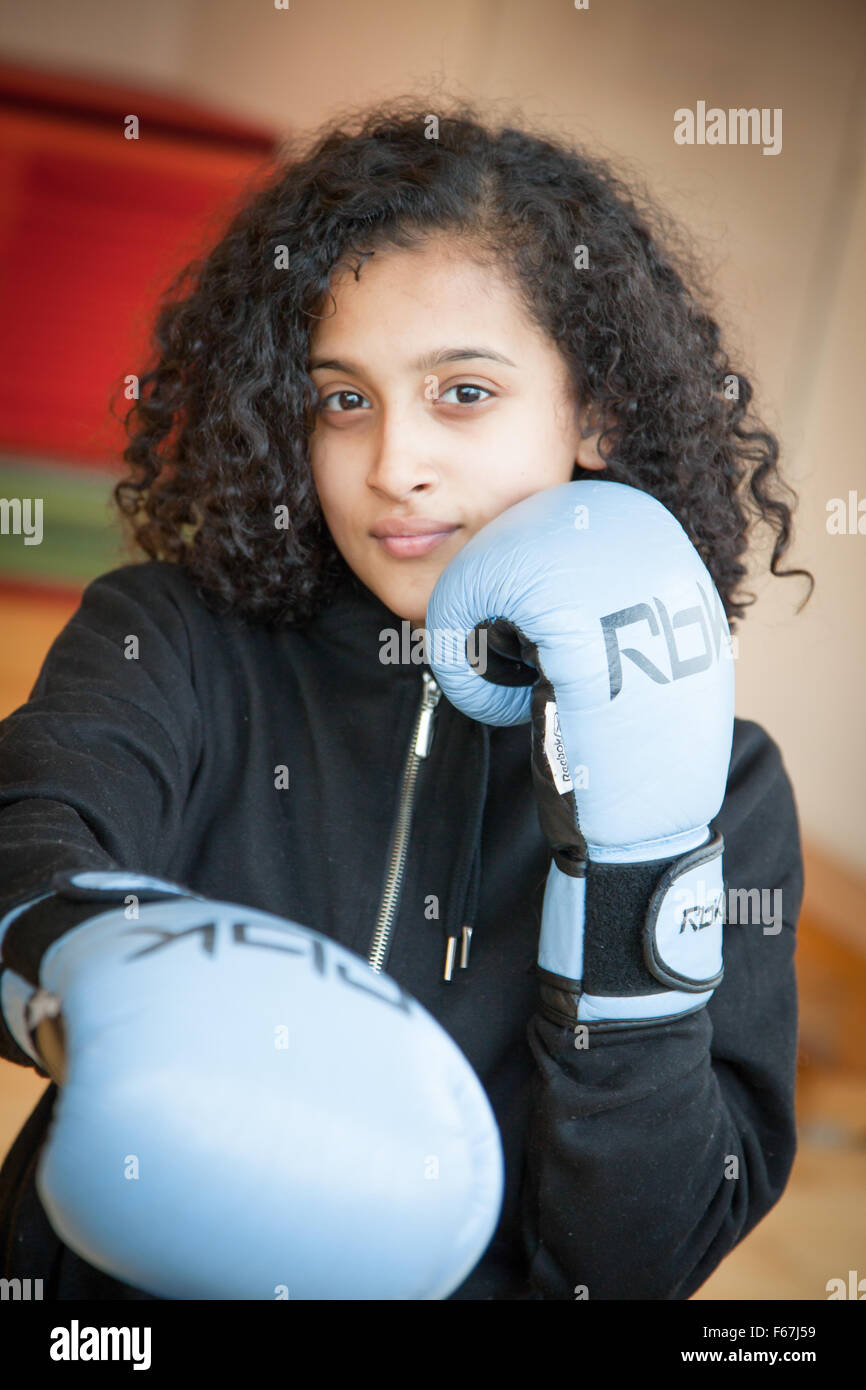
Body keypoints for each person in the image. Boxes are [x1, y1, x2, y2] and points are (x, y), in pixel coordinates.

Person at [0, 99, 813, 1300]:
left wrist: (632, 882)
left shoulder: (721, 779)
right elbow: (28, 843)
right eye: (345, 398)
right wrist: (110, 975)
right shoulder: (174, 638)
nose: (392, 464)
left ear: (595, 410)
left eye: (463, 392)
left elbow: (639, 1261)